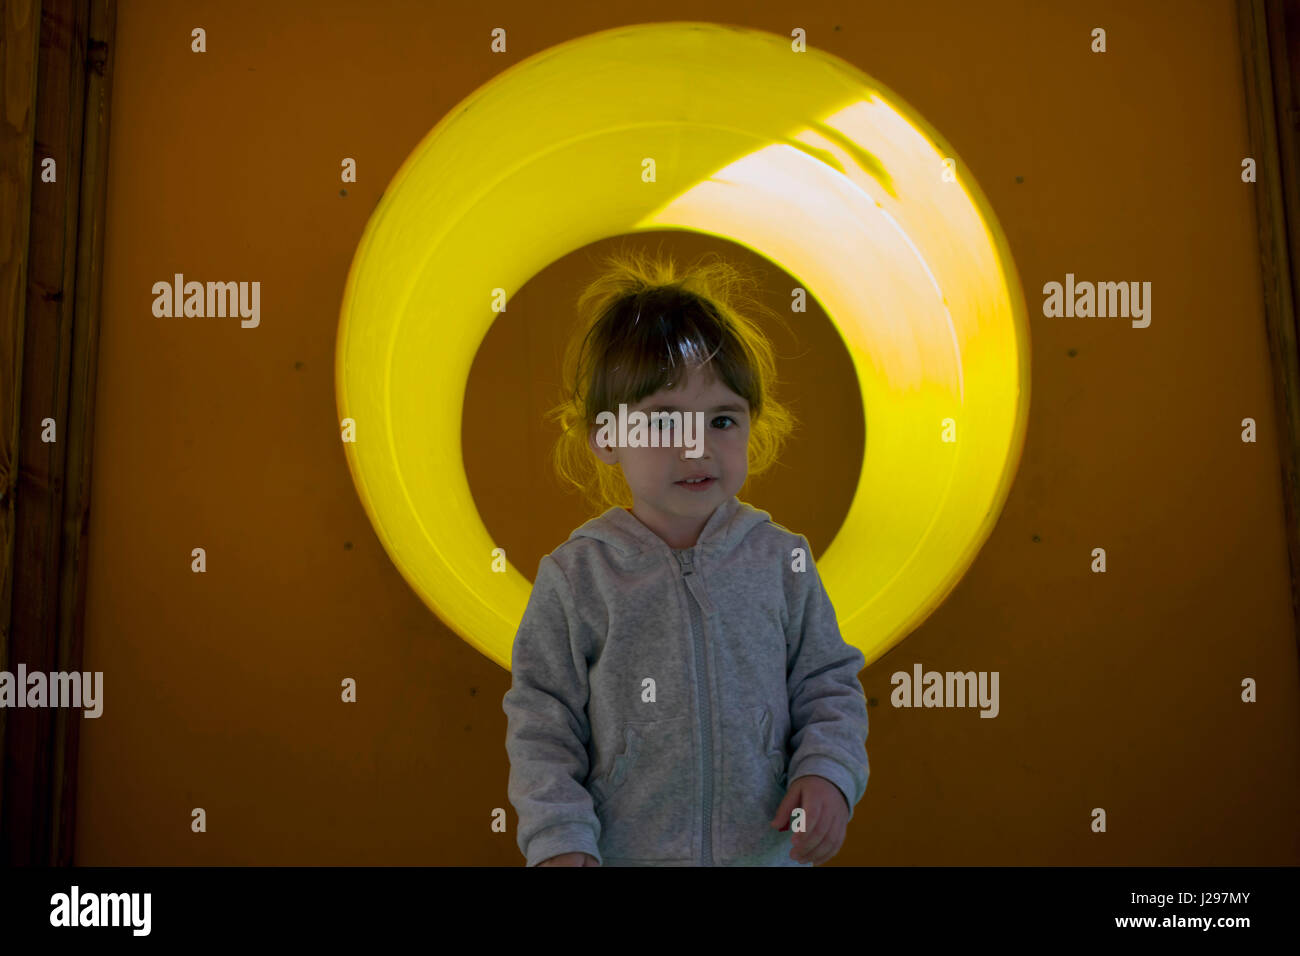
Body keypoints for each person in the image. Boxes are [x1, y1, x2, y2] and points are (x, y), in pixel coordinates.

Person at [502, 248, 869, 866]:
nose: (697, 447)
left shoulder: (783, 561)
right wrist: (559, 838)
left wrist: (829, 772)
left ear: (754, 425)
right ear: (607, 438)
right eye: (665, 423)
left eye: (722, 420)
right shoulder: (579, 576)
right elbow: (543, 723)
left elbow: (827, 683)